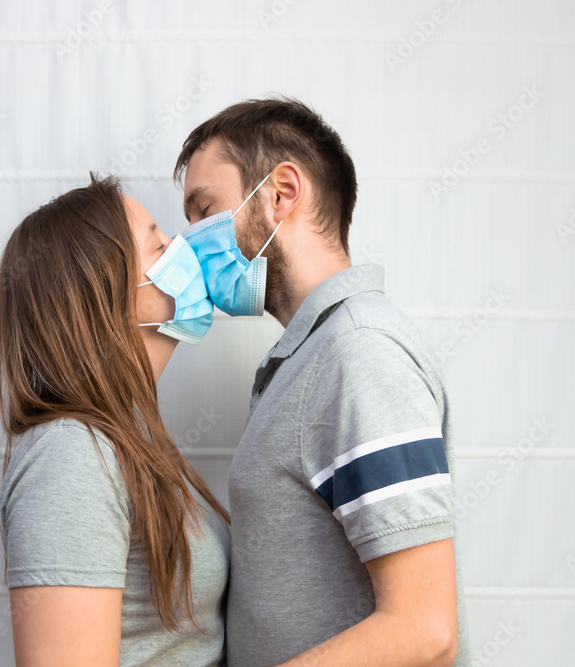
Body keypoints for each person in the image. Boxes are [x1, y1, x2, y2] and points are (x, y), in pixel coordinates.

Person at [175, 98, 471, 666]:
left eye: (204, 210)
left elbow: (425, 629)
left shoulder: (359, 352)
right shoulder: (313, 357)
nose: (190, 242)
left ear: (281, 192)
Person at [0, 174, 230, 666]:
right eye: (159, 243)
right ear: (106, 293)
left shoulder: (131, 438)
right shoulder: (70, 456)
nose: (183, 250)